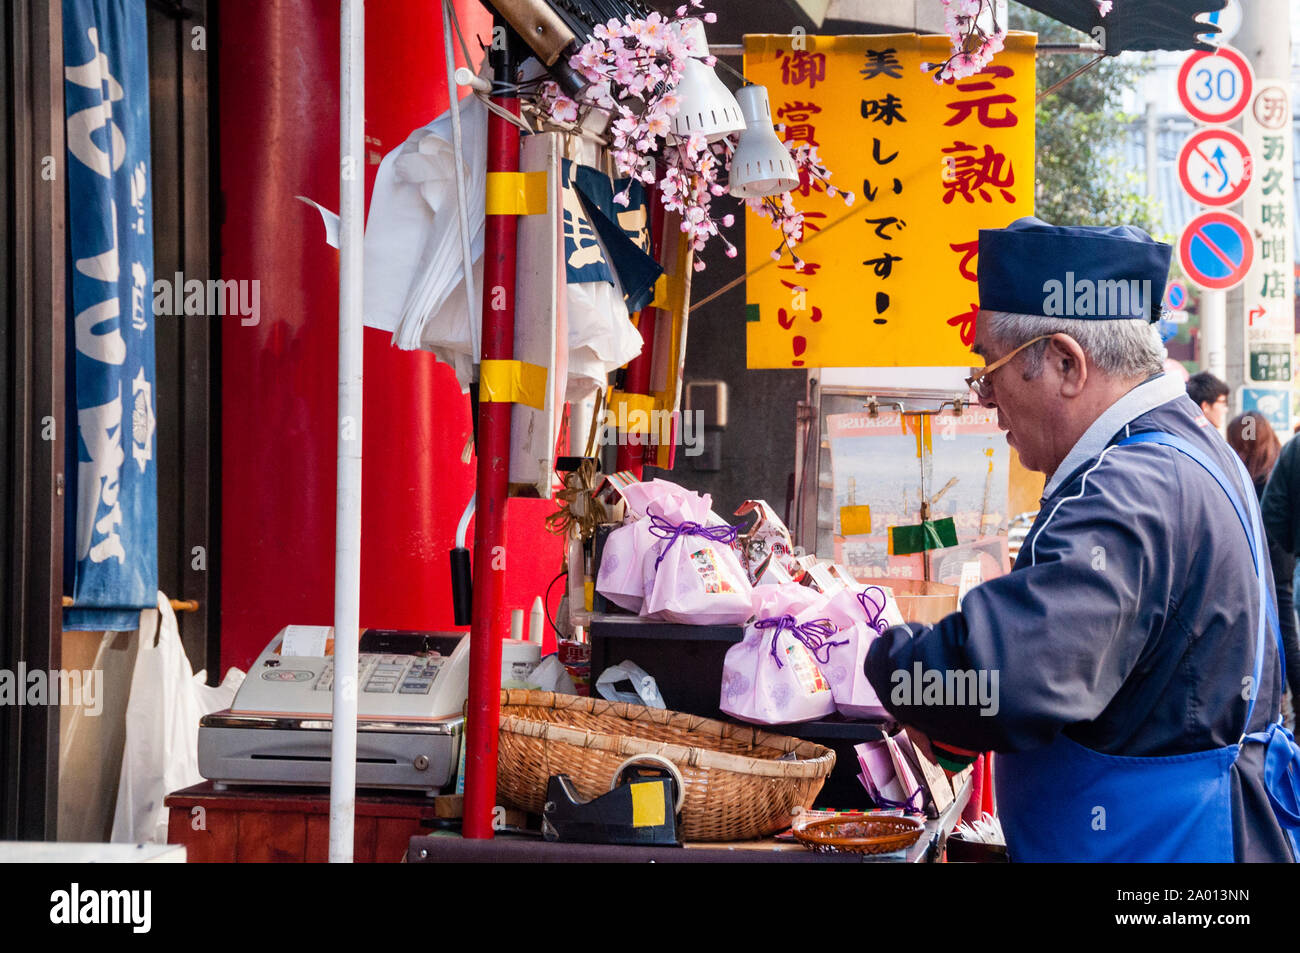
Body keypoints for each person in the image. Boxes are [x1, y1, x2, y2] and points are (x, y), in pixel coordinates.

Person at [865, 216, 1297, 862]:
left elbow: (1002, 678)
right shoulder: (1189, 448)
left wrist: (871, 651)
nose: (987, 399)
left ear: (1066, 362)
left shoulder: (1133, 483)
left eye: (990, 370)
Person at [1228, 413, 1300, 707]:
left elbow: (1273, 517)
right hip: (1284, 560)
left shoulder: (1293, 451)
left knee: (1279, 626)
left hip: (1277, 559)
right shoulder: (1283, 455)